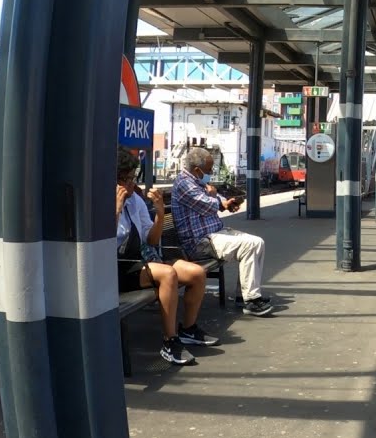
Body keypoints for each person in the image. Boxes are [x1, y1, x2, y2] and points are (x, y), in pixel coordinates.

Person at [115, 148, 219, 366]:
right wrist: (116, 210)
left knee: (196, 273)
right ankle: (169, 342)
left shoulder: (135, 201)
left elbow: (151, 240)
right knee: (168, 274)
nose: (131, 184)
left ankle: (188, 329)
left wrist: (160, 214)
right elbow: (102, 242)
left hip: (140, 261)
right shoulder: (100, 203)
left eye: (133, 178)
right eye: (125, 179)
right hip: (115, 268)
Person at [171, 147, 274, 316]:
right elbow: (208, 204)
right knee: (250, 245)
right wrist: (217, 199)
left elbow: (219, 200)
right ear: (197, 170)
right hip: (199, 242)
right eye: (208, 170)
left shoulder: (197, 181)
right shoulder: (184, 183)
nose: (211, 173)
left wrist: (227, 202)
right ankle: (251, 300)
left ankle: (246, 295)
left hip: (215, 234)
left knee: (257, 242)